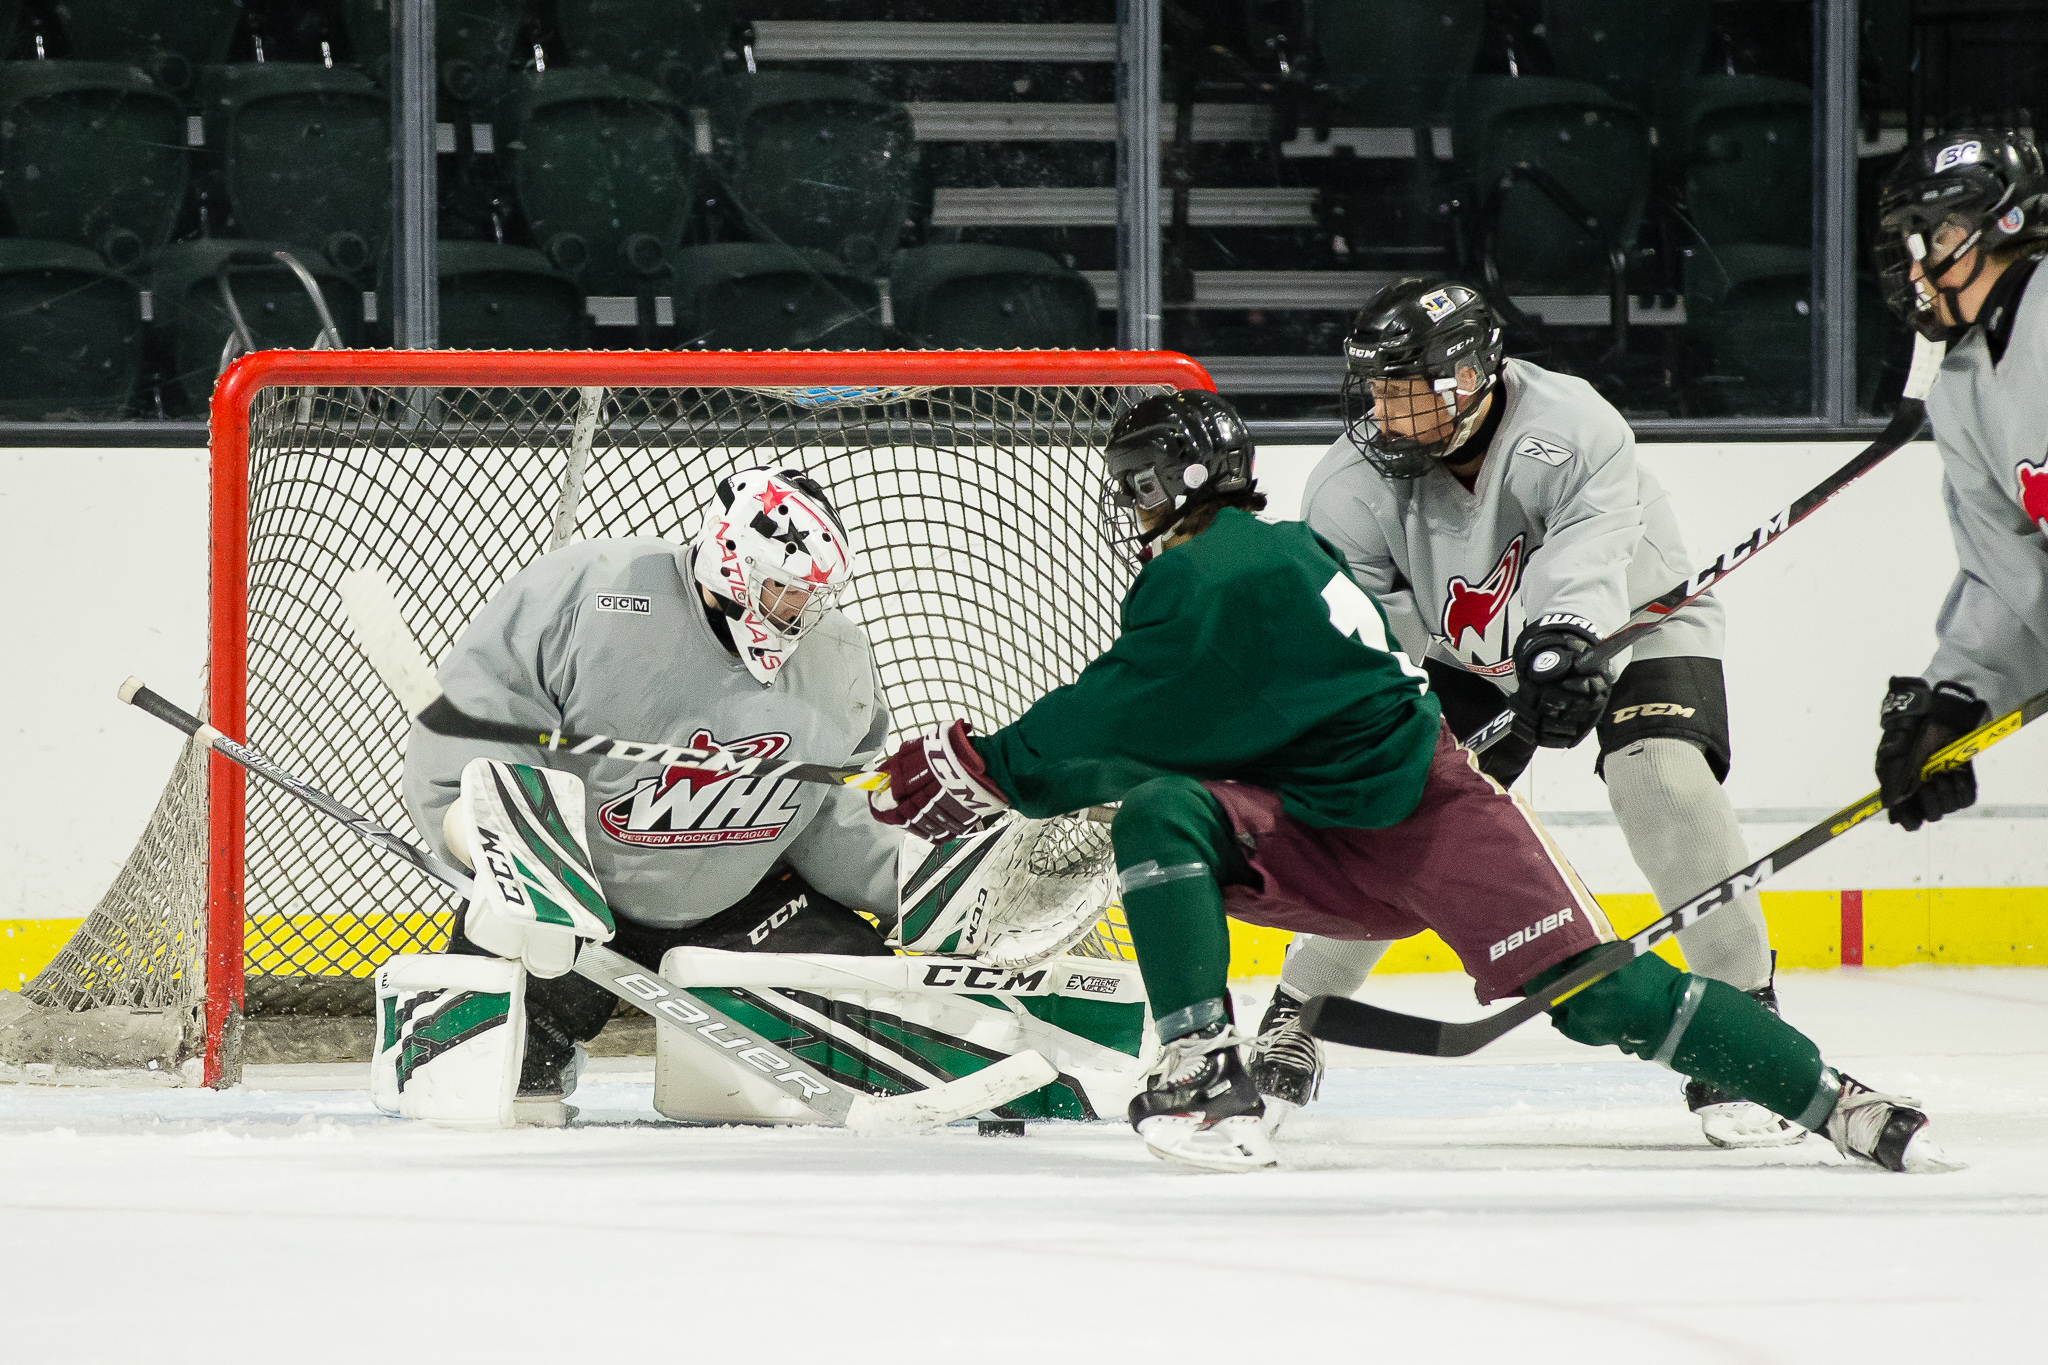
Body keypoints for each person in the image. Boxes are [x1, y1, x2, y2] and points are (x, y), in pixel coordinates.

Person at [860, 389, 1949, 1175]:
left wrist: (985, 767)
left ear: (1158, 486)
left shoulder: (1210, 572)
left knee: (1594, 997)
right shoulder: (1267, 555)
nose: (1125, 510)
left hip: (1415, 814)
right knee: (1168, 811)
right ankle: (1203, 1065)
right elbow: (1187, 720)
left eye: (1129, 490)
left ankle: (1827, 1098)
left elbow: (1127, 702)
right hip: (1351, 823)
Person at [1251, 277, 1793, 1149]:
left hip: (1630, 622)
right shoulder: (1347, 486)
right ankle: (1297, 1011)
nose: (1383, 413)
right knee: (1397, 797)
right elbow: (1371, 636)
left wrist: (1562, 642)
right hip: (1466, 655)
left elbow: (1590, 554)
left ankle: (1744, 1021)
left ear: (1469, 379)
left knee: (1657, 773)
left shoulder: (1572, 427)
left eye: (1404, 391)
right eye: (1375, 389)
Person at [402, 466, 902, 1116]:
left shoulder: (835, 656)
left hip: (743, 909)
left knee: (884, 1042)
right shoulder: (591, 591)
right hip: (575, 907)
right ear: (732, 563)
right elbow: (484, 713)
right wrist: (487, 840)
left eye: (812, 595)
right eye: (783, 589)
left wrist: (911, 882)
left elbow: (835, 805)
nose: (800, 612)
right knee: (492, 1091)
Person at [1869, 128, 2048, 831]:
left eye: (1926, 239)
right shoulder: (1963, 390)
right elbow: (2010, 575)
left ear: (1977, 226)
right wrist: (1955, 703)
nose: (1913, 269)